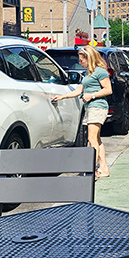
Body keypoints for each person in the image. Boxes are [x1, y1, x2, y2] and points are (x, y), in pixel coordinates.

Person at [51, 45, 111, 178]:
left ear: (89, 58)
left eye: (81, 60)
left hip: (98, 106)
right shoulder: (88, 73)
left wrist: (92, 95)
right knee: (97, 139)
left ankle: (90, 170)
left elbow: (108, 89)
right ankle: (103, 168)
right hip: (90, 107)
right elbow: (80, 90)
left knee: (91, 138)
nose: (79, 62)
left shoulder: (100, 71)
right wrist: (63, 96)